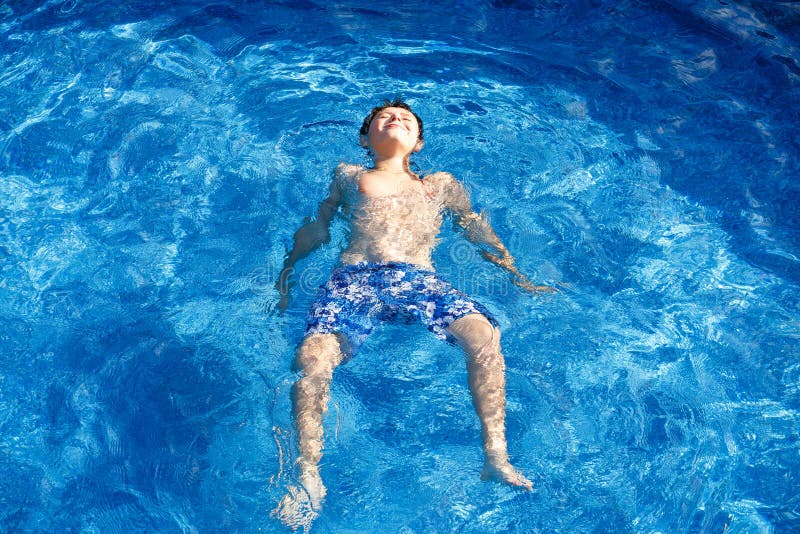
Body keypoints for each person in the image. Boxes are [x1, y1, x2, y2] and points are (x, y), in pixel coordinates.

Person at [273, 98, 554, 528]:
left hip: (418, 279)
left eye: (406, 119)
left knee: (483, 335)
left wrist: (514, 272)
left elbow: (473, 225)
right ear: (366, 139)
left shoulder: (438, 184)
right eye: (384, 117)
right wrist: (289, 271)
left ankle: (495, 455)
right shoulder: (349, 175)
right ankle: (306, 473)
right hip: (355, 277)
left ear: (418, 143)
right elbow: (319, 224)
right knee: (313, 358)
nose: (396, 118)